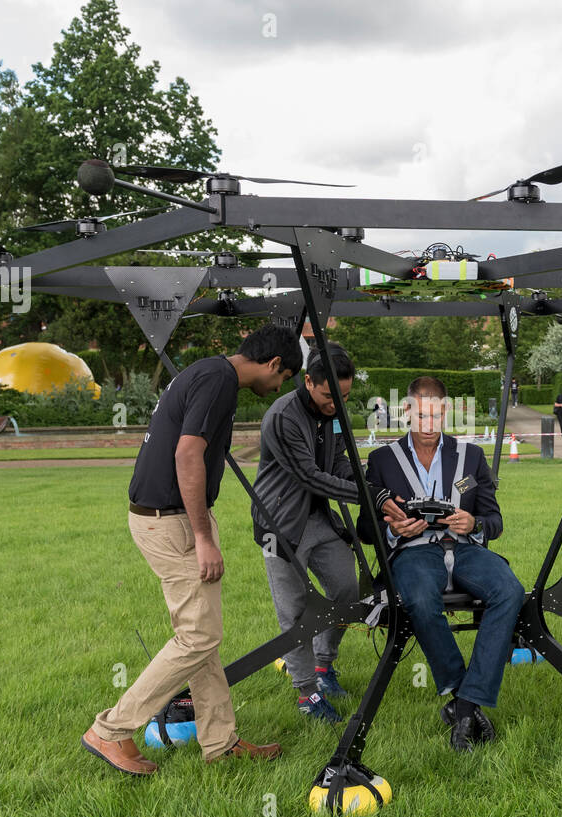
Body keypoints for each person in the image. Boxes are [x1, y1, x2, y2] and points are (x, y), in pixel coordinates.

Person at [82, 323, 302, 776]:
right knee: (198, 637)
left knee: (204, 635)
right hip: (173, 522)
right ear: (274, 364)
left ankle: (220, 742)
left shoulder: (206, 373)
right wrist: (203, 538)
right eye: (284, 378)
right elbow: (187, 454)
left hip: (167, 517)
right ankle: (111, 730)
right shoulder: (219, 380)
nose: (280, 387)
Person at [358, 376, 525, 752]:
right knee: (418, 597)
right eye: (422, 415)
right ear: (407, 412)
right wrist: (393, 526)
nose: (429, 424)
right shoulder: (383, 460)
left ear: (446, 412)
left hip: (466, 548)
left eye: (436, 415)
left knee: (510, 590)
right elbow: (365, 529)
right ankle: (464, 692)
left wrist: (475, 523)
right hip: (414, 550)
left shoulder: (471, 457)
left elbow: (494, 521)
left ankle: (464, 705)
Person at [251, 342, 405, 723]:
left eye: (345, 395)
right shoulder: (283, 415)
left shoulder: (335, 411)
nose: (337, 402)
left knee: (346, 591)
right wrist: (370, 498)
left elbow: (339, 464)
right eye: (328, 395)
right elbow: (309, 476)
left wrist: (372, 484)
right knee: (294, 610)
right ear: (307, 381)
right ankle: (307, 694)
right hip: (279, 524)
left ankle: (324, 666)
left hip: (318, 519)